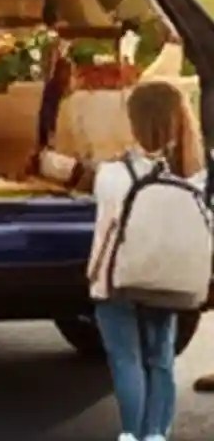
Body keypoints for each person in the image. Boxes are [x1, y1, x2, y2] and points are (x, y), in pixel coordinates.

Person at [87, 80, 204, 441]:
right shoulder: (197, 176)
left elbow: (105, 221)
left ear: (133, 122)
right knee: (160, 358)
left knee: (126, 359)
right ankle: (155, 434)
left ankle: (130, 434)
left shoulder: (112, 174)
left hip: (117, 280)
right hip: (168, 277)